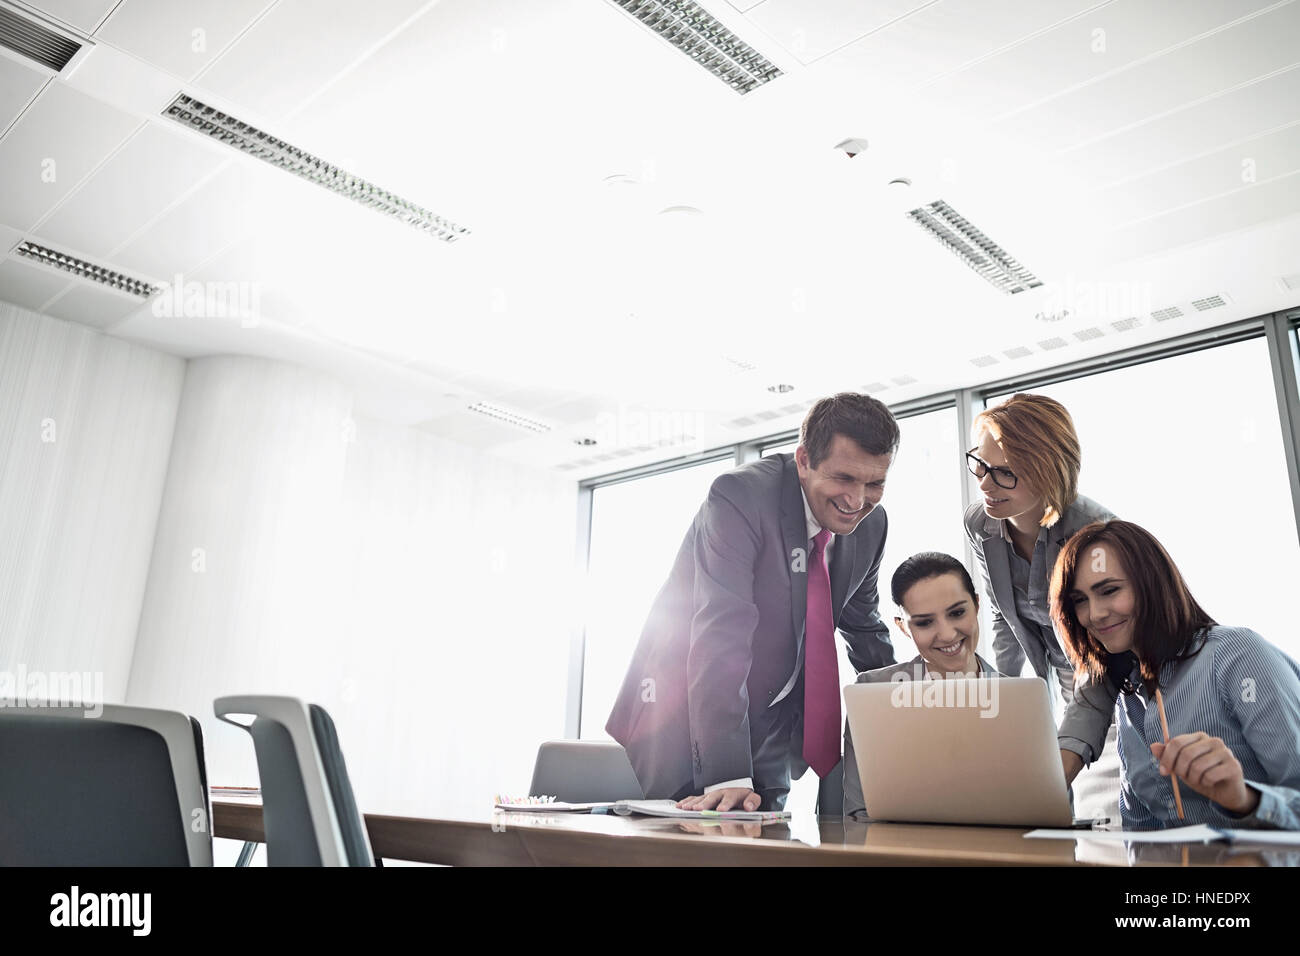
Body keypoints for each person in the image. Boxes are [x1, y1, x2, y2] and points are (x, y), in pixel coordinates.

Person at [606, 393, 900, 812]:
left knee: (765, 841)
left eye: (875, 483)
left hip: (770, 721)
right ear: (803, 460)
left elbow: (865, 628)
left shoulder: (872, 526)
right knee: (696, 846)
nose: (857, 501)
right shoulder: (740, 497)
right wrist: (727, 774)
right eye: (844, 479)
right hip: (683, 712)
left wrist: (908, 716)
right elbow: (719, 634)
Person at [1052, 519, 1300, 829]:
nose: (1095, 614)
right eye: (1079, 601)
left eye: (1110, 590)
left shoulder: (1237, 655)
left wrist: (1243, 799)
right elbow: (1139, 835)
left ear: (1152, 584)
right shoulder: (1127, 703)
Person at [962, 393, 1115, 786]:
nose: (984, 484)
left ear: (1048, 470)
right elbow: (1002, 614)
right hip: (1062, 678)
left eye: (1005, 472)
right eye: (980, 465)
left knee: (1104, 789)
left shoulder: (1096, 533)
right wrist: (1000, 705)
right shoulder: (981, 523)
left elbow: (1106, 655)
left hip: (1114, 680)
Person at [842, 552, 1008, 818]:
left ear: (977, 606)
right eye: (924, 622)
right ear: (904, 628)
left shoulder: (1021, 702)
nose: (947, 633)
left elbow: (1052, 807)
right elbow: (859, 814)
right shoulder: (873, 696)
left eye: (957, 613)